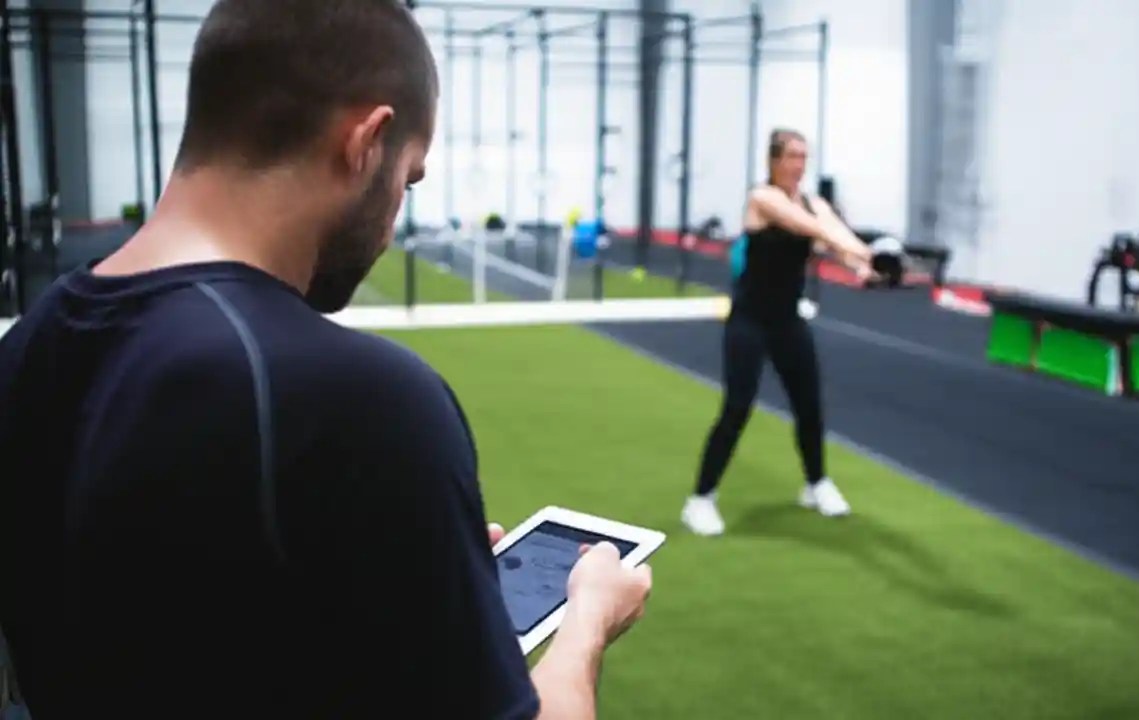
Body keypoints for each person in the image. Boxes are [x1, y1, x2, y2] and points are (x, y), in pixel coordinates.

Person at [0, 2, 651, 718]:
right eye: (408, 180)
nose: (395, 213)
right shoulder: (359, 400)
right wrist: (587, 621)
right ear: (366, 142)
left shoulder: (27, 349)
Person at [681, 129, 875, 537]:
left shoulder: (813, 202)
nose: (799, 165)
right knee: (737, 408)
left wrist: (864, 266)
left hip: (788, 321)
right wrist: (864, 253)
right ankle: (700, 500)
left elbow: (837, 237)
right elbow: (814, 229)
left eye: (804, 156)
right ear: (773, 160)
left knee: (810, 406)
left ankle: (816, 484)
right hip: (749, 322)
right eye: (791, 156)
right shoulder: (762, 199)